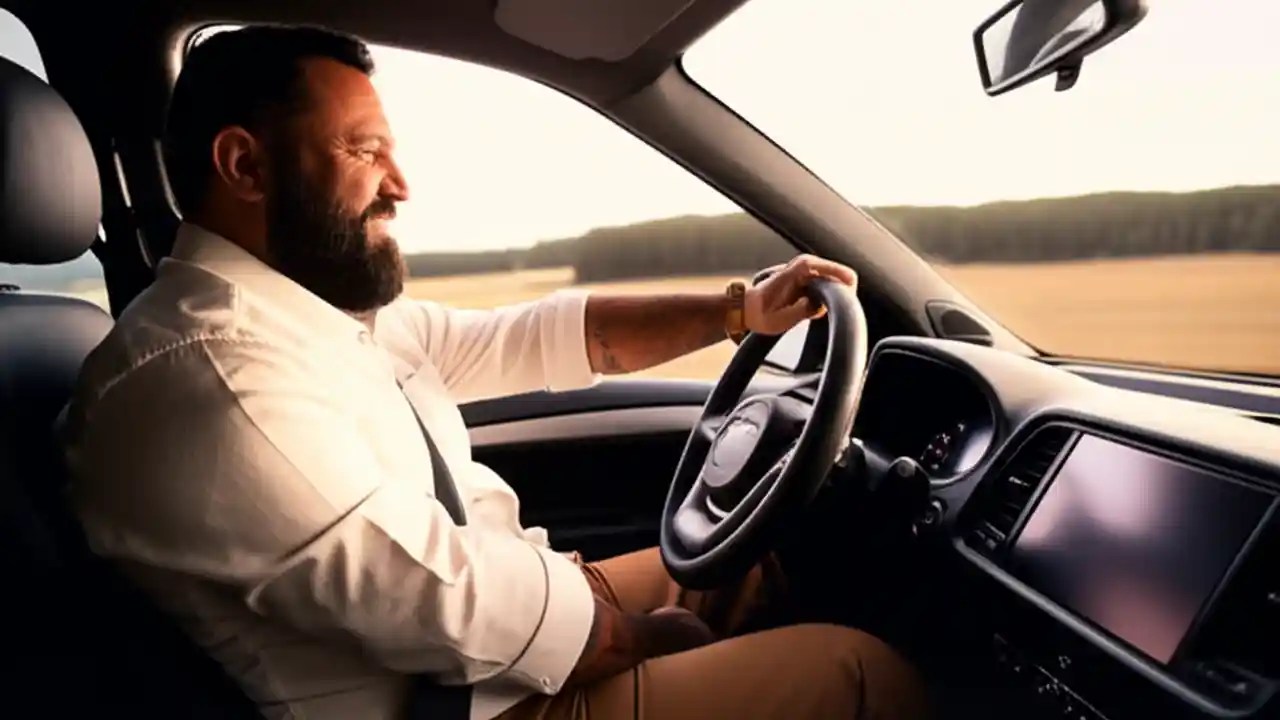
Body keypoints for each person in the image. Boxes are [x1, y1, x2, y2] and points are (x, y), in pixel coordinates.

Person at [59, 24, 928, 720]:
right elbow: (453, 606)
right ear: (245, 166)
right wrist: (638, 635)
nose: (400, 185)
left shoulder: (299, 318)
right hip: (460, 698)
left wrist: (737, 312)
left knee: (749, 568)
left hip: (485, 638)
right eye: (364, 152)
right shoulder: (212, 381)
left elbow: (533, 339)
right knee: (858, 675)